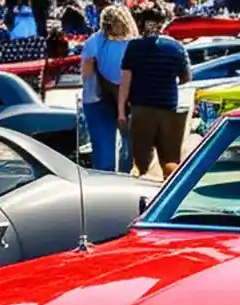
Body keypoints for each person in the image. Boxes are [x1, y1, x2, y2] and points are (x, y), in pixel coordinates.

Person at [118, 1, 191, 179]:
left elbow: (125, 83)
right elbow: (187, 78)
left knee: (140, 165)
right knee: (171, 164)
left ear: (142, 23)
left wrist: (121, 111)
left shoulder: (133, 47)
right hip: (169, 110)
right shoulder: (177, 48)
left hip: (141, 110)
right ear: (162, 23)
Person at [82, 4, 135, 171]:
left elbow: (85, 75)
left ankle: (105, 186)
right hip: (128, 100)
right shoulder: (134, 43)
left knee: (105, 156)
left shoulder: (94, 42)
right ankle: (126, 184)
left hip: (97, 100)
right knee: (130, 150)